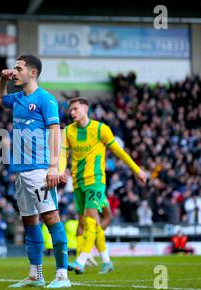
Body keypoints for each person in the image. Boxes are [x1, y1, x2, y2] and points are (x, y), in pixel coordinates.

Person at [0, 54, 70, 288]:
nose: (14, 72)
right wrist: (2, 79)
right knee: (29, 222)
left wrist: (54, 166)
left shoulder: (46, 99)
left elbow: (55, 131)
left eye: (18, 68)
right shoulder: (16, 98)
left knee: (51, 217)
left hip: (39, 170)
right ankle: (35, 276)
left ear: (32, 73)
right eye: (13, 68)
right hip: (21, 171)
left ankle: (62, 276)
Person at [59, 97, 147, 274]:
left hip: (95, 181)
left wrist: (137, 170)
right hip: (77, 182)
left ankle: (81, 260)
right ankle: (107, 262)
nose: (72, 113)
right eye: (71, 110)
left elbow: (119, 152)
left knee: (91, 219)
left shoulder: (100, 129)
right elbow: (62, 155)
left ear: (86, 108)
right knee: (90, 222)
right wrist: (61, 170)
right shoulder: (67, 131)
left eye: (76, 109)